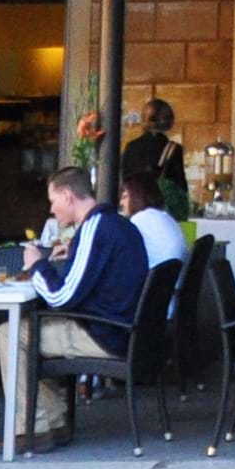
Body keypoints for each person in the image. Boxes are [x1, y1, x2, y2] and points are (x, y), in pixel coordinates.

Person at [26, 166, 150, 450]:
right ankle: (53, 421)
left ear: (68, 196)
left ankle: (34, 429)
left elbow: (61, 296)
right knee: (31, 331)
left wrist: (36, 265)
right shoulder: (118, 224)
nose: (52, 210)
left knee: (13, 334)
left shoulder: (94, 228)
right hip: (125, 329)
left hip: (105, 334)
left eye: (53, 201)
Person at [121, 98, 192, 223]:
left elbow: (124, 176)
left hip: (134, 203)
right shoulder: (173, 149)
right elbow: (180, 185)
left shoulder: (131, 146)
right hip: (159, 207)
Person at [120, 169, 189, 271]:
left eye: (125, 197)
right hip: (173, 280)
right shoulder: (165, 217)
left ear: (136, 197)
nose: (121, 202)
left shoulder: (139, 220)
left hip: (159, 283)